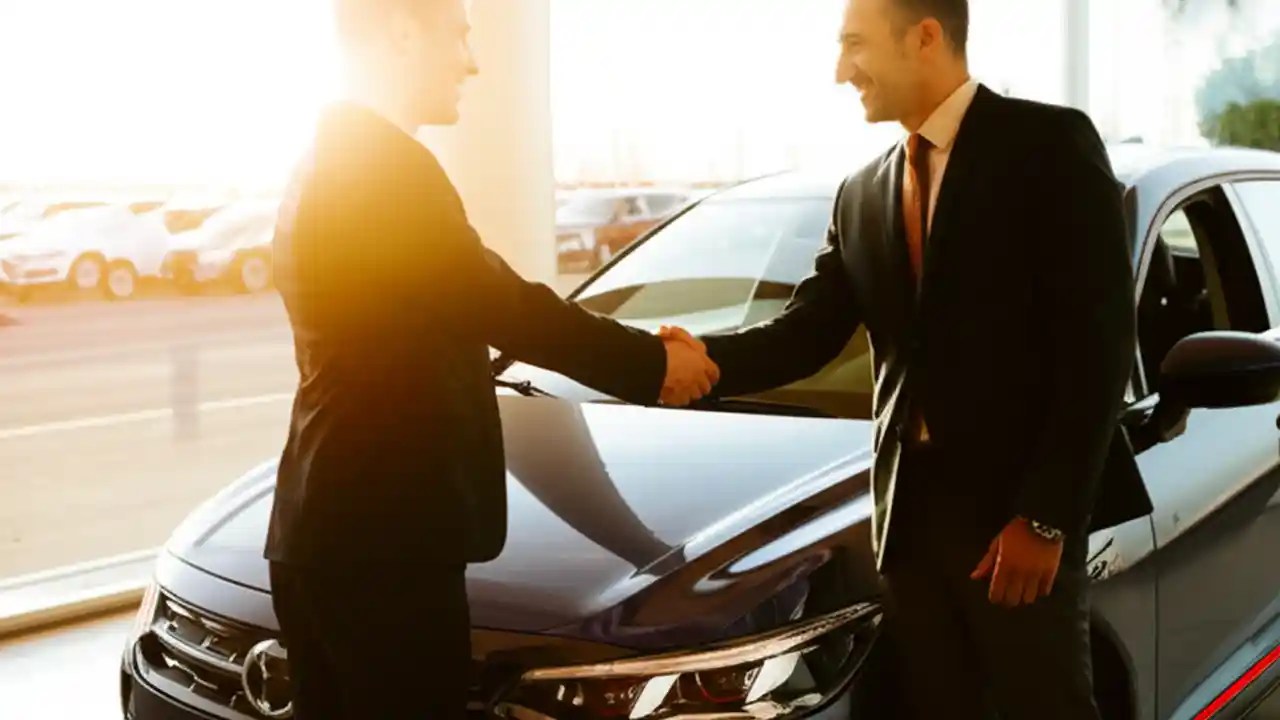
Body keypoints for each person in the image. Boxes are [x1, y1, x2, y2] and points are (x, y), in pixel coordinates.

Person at [660, 0, 1152, 717]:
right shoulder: (862, 192)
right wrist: (690, 359)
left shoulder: (1048, 145)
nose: (840, 71)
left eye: (854, 45)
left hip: (1014, 516)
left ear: (924, 37)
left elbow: (1098, 345)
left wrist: (1046, 518)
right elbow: (805, 334)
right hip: (910, 520)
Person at [263, 1, 718, 718]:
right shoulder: (384, 169)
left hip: (325, 528)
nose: (471, 61)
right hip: (386, 546)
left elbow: (430, 322)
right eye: (460, 36)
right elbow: (499, 302)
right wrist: (652, 365)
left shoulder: (327, 159)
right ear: (403, 35)